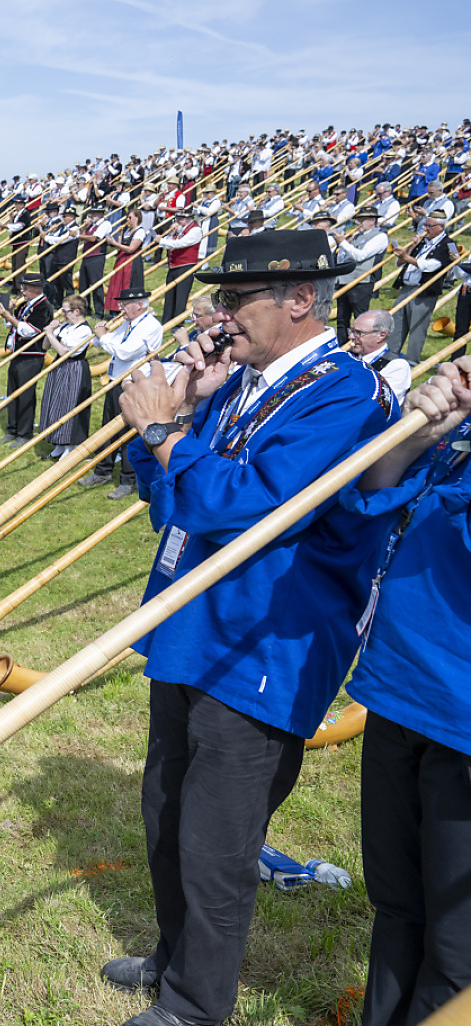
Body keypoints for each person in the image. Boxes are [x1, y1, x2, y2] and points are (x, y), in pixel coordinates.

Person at [108, 229, 396, 1026]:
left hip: (267, 640)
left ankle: (197, 1006)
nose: (221, 316)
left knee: (216, 840)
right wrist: (178, 419)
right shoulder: (243, 382)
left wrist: (170, 435)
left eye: (236, 300)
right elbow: (175, 503)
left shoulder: (348, 393)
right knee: (164, 808)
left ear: (300, 299)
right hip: (191, 623)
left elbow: (250, 505)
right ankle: (174, 963)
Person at [336, 356, 471, 1026]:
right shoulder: (459, 443)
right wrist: (420, 433)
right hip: (399, 692)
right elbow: (368, 493)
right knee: (396, 907)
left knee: (457, 947)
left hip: (464, 724)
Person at [81, 288, 165, 500]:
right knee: (108, 429)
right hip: (116, 381)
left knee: (129, 433)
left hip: (135, 384)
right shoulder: (129, 324)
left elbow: (126, 352)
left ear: (139, 305)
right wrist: (102, 334)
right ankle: (103, 471)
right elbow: (108, 343)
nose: (120, 308)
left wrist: (104, 337)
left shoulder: (150, 326)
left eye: (125, 304)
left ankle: (128, 480)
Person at [390, 207, 456, 362]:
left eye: (429, 226)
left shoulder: (447, 244)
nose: (425, 229)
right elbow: (399, 263)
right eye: (425, 225)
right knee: (397, 324)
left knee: (417, 329)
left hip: (424, 292)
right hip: (406, 288)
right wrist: (410, 248)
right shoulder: (422, 242)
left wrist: (407, 257)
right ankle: (390, 357)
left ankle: (412, 362)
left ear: (441, 227)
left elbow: (430, 266)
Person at [0, 272, 54, 444]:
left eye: (26, 287)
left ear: (38, 288)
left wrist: (9, 317)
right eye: (22, 286)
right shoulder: (26, 305)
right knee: (13, 393)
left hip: (32, 356)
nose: (22, 290)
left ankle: (25, 433)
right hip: (18, 354)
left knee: (25, 395)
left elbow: (29, 331)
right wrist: (9, 312)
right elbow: (13, 325)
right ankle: (13, 429)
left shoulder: (44, 307)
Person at [38, 295, 95, 459]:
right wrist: (50, 332)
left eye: (65, 311)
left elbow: (64, 351)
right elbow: (45, 346)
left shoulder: (84, 330)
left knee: (69, 405)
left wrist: (51, 334)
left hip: (74, 368)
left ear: (76, 311)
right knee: (55, 403)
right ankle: (58, 443)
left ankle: (70, 446)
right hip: (60, 367)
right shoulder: (65, 326)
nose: (63, 314)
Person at [335, 207, 391, 343]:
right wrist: (344, 245)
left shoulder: (380, 236)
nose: (358, 223)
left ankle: (362, 348)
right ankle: (342, 347)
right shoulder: (356, 236)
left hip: (362, 282)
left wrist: (343, 243)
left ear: (372, 221)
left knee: (360, 319)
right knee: (342, 319)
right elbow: (341, 260)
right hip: (345, 280)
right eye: (358, 220)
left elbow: (361, 256)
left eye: (361, 220)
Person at [350, 309, 413, 404]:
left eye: (359, 333)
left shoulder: (397, 366)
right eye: (352, 331)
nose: (351, 336)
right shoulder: (349, 356)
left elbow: (379, 404)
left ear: (381, 335)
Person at [104, 207, 149, 312]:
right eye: (127, 217)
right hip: (122, 258)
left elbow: (131, 249)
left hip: (131, 260)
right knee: (117, 283)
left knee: (128, 284)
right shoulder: (127, 231)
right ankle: (115, 308)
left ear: (137, 218)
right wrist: (119, 236)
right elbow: (120, 247)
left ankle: (128, 309)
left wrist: (114, 243)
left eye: (130, 218)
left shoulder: (140, 231)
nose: (127, 220)